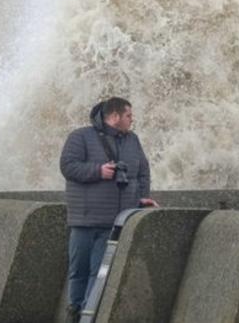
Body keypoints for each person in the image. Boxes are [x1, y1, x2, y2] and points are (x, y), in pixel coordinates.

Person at [60, 96, 156, 319]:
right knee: (78, 271)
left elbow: (142, 172)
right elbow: (68, 166)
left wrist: (142, 198)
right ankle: (73, 312)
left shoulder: (133, 140)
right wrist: (98, 172)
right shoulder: (80, 137)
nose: (132, 120)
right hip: (84, 219)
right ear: (114, 116)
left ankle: (87, 316)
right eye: (128, 115)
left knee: (99, 273)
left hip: (114, 220)